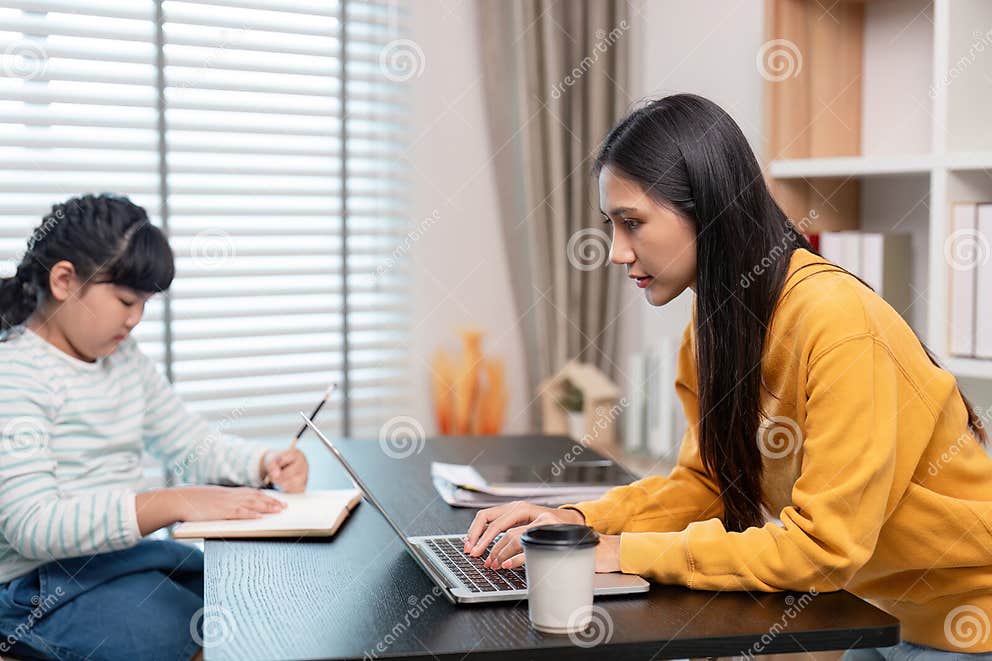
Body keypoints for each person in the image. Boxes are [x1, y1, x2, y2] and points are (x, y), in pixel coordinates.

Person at [463, 94, 992, 659]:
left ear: (707, 208)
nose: (616, 252)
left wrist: (625, 552)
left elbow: (823, 549)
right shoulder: (717, 320)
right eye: (612, 226)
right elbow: (709, 484)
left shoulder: (837, 323)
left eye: (632, 223)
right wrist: (576, 523)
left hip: (964, 621)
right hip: (877, 613)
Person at [0, 193, 309, 660]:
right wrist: (174, 501)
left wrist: (261, 461)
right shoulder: (17, 373)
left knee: (248, 596)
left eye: (143, 302)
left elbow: (185, 439)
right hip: (35, 583)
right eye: (126, 300)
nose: (135, 318)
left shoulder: (122, 359)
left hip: (116, 559)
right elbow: (33, 525)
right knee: (180, 635)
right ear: (64, 280)